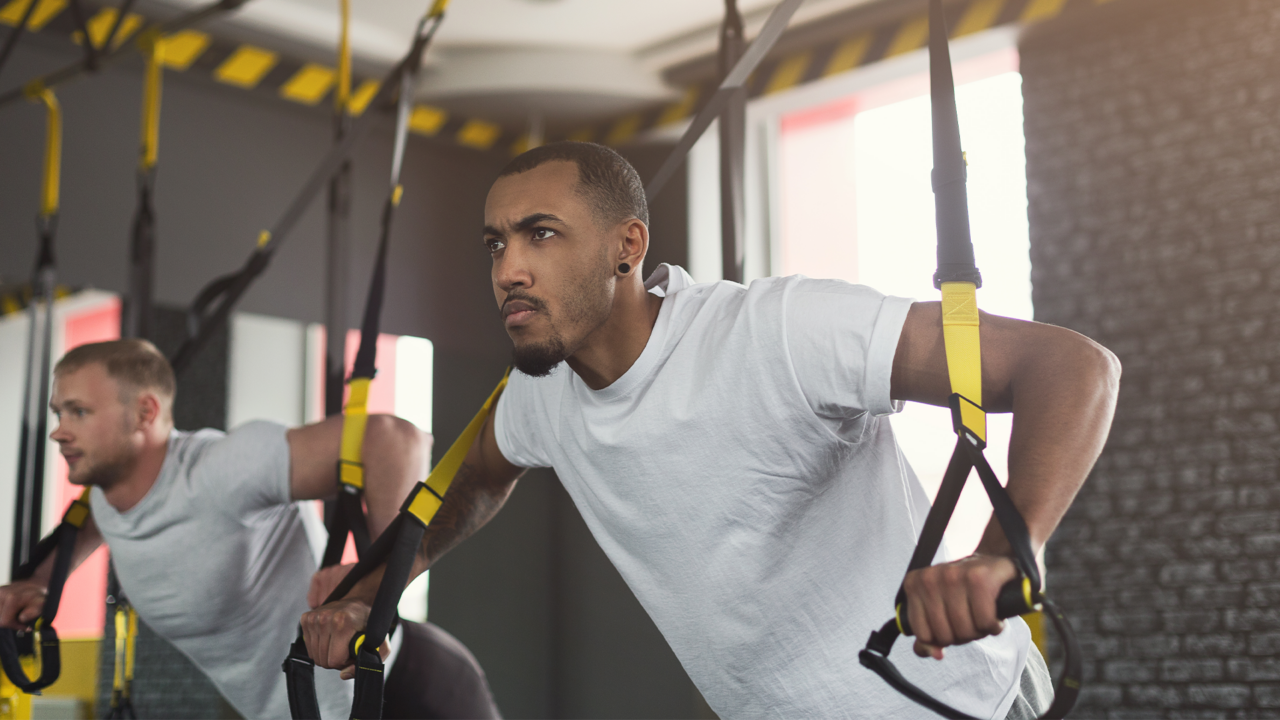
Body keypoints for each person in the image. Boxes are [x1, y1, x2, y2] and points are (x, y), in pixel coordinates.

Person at [300, 142, 1121, 718]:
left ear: (628, 246)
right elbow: (476, 476)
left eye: (540, 234)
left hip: (955, 706)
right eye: (496, 243)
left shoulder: (780, 333)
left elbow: (1071, 366)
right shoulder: (541, 394)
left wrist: (1005, 549)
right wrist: (376, 587)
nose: (508, 269)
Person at [0, 339, 500, 719]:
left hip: (402, 693)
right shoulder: (106, 499)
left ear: (145, 412)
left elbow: (395, 438)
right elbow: (90, 527)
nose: (59, 431)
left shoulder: (220, 469)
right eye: (59, 412)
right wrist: (42, 581)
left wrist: (373, 586)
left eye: (79, 412)